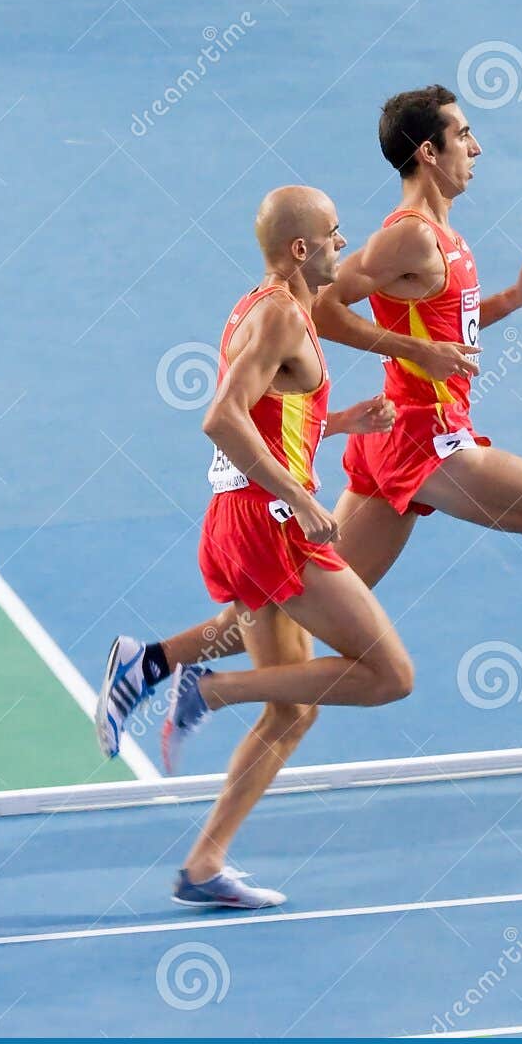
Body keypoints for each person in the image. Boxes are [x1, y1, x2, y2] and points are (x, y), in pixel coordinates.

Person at [99, 85, 522, 760]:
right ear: (427, 153)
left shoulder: (445, 240)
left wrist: (514, 301)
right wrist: (409, 350)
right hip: (425, 438)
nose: (477, 147)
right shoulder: (408, 236)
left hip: (395, 441)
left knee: (295, 593)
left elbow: (445, 329)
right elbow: (325, 308)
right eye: (463, 135)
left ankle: (155, 664)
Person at [144, 185, 413, 908]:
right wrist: (299, 498)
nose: (342, 245)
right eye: (334, 234)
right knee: (389, 676)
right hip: (272, 525)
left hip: (245, 514)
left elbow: (266, 423)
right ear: (300, 248)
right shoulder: (277, 316)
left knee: (294, 710)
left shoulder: (264, 307)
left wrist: (342, 424)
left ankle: (203, 865)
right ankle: (210, 685)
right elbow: (222, 419)